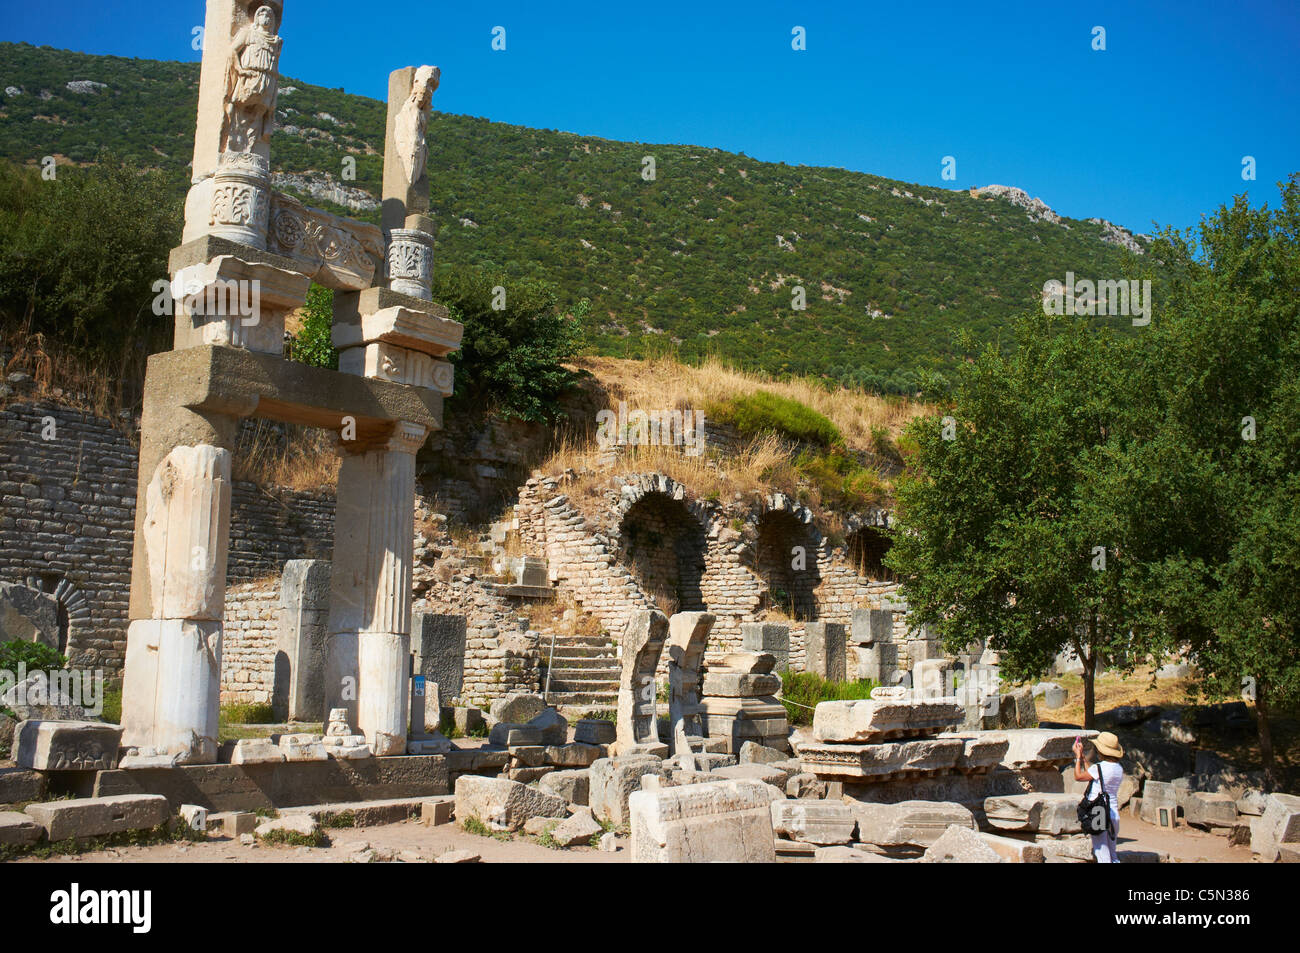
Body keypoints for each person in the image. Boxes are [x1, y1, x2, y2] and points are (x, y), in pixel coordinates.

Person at [1073, 731, 1125, 863]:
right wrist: (1084, 759)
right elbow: (1097, 774)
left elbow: (1078, 776)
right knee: (1113, 854)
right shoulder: (1118, 768)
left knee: (1102, 853)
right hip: (1113, 813)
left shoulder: (1099, 768)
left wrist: (1078, 757)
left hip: (1099, 813)